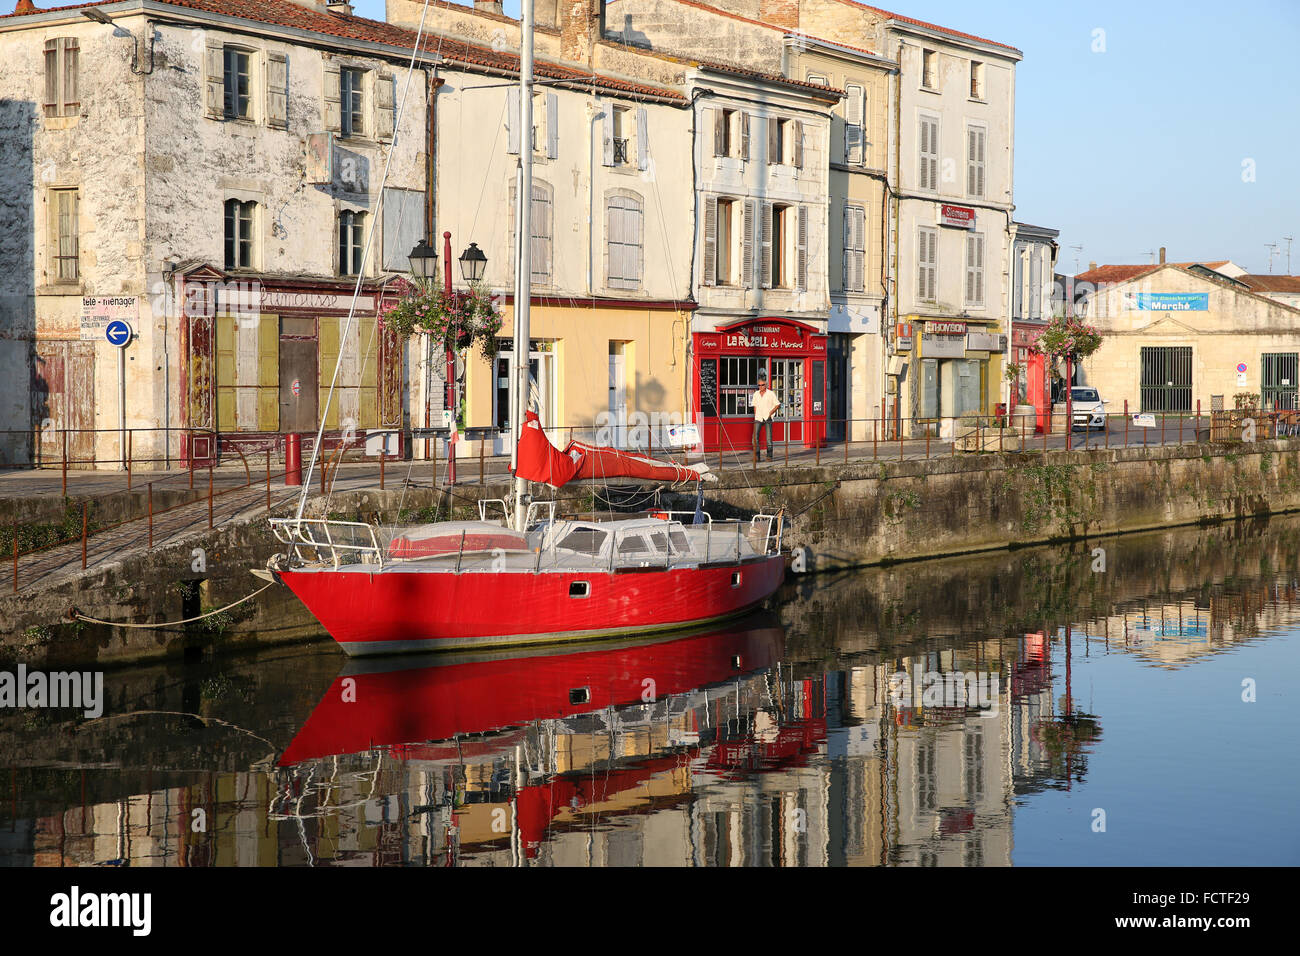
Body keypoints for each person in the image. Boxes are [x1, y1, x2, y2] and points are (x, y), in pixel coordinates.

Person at [750, 372, 780, 460]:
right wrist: (756, 415)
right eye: (759, 385)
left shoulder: (771, 393)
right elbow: (754, 405)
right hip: (758, 417)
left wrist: (771, 413)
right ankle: (757, 456)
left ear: (766, 385)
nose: (761, 387)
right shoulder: (756, 394)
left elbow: (778, 404)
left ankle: (769, 456)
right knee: (754, 438)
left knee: (769, 438)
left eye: (762, 385)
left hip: (767, 417)